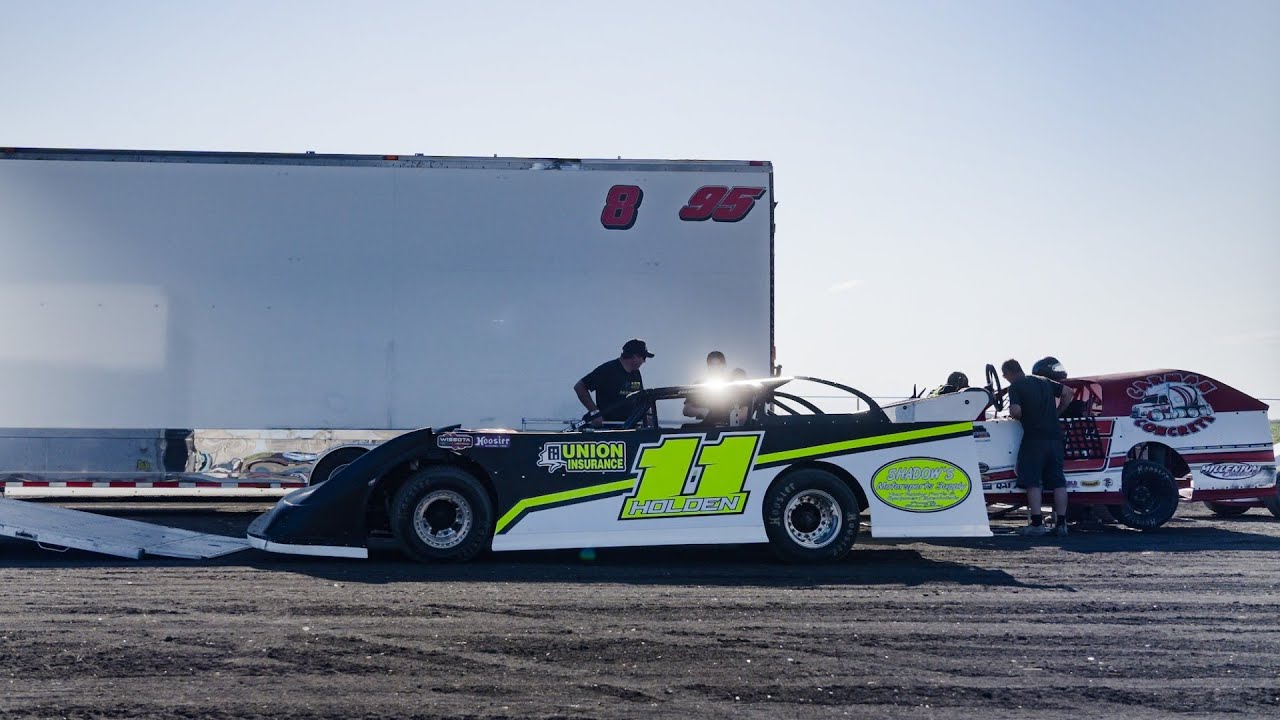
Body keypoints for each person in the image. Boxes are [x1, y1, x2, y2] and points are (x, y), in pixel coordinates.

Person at [1002, 358, 1074, 537]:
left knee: (1032, 481)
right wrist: (1057, 413)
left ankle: (1036, 523)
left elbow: (1016, 411)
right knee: (1058, 481)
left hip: (1034, 438)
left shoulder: (1016, 386)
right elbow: (1068, 392)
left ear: (1009, 373)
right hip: (1055, 438)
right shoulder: (1043, 381)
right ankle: (1062, 524)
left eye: (1005, 376)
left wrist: (1015, 415)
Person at [574, 339, 653, 427]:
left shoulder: (636, 373)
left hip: (629, 426)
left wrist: (647, 416)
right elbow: (579, 386)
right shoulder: (608, 369)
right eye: (644, 358)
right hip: (608, 427)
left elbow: (641, 398)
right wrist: (594, 412)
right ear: (635, 356)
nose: (644, 362)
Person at [684, 351, 730, 421]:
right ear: (708, 366)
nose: (716, 368)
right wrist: (702, 411)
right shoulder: (699, 385)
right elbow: (686, 410)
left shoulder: (732, 385)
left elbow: (743, 411)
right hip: (704, 428)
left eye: (718, 365)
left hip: (728, 429)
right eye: (712, 365)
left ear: (724, 366)